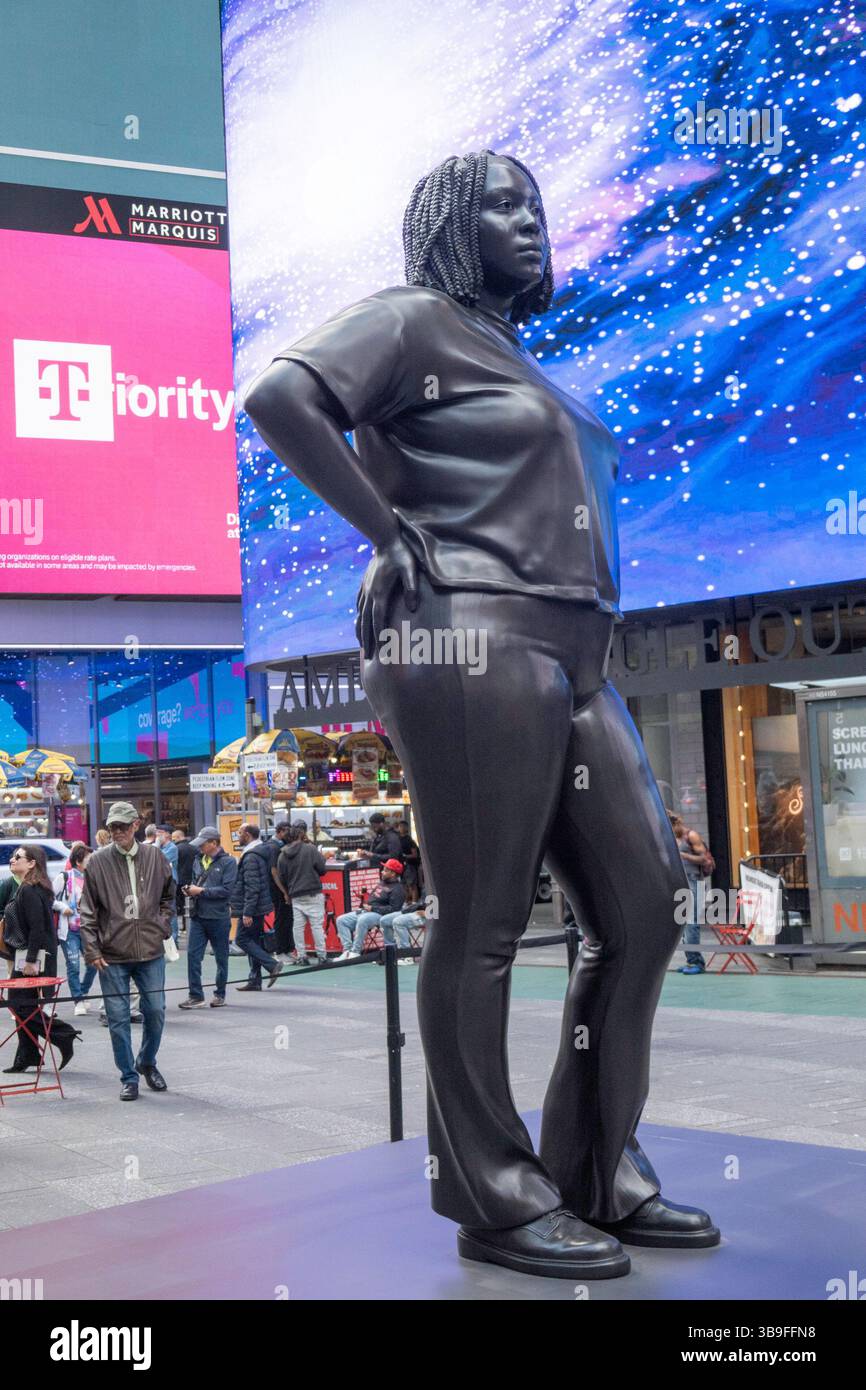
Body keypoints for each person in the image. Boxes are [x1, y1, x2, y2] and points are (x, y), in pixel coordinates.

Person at [244, 148, 719, 1279]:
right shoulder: (410, 320)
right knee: (485, 916)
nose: (528, 222)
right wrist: (385, 532)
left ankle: (596, 1166)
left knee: (645, 907)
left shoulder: (514, 358)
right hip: (468, 635)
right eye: (502, 204)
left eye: (535, 205)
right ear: (450, 223)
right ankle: (489, 1189)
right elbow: (280, 396)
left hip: (574, 653)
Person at [79, 801, 175, 1101]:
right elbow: (87, 911)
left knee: (156, 1011)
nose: (117, 831)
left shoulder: (155, 856)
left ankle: (146, 1062)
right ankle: (128, 1076)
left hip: (150, 949)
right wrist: (92, 951)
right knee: (118, 1018)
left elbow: (169, 895)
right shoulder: (97, 861)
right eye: (113, 827)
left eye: (122, 826)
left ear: (136, 824)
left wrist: (163, 923)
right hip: (112, 953)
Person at [2, 844, 80, 1074]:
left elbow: (38, 928)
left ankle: (62, 1033)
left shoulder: (30, 889)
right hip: (29, 955)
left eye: (18, 856)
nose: (13, 859)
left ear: (32, 862)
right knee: (23, 1006)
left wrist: (31, 960)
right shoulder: (31, 887)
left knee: (19, 1005)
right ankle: (27, 1056)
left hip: (32, 958)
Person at [179, 825, 238, 1009]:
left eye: (203, 844)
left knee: (221, 957)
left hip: (219, 916)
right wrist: (190, 890)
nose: (200, 847)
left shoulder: (228, 862)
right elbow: (197, 883)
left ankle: (220, 994)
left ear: (214, 843)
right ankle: (195, 995)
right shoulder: (198, 859)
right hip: (198, 915)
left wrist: (200, 891)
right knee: (193, 956)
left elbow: (227, 891)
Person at [230, 823, 282, 991]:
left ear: (247, 834)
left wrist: (247, 911)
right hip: (260, 905)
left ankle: (272, 965)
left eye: (239, 832)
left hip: (253, 907)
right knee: (254, 940)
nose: (238, 835)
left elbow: (252, 886)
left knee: (242, 939)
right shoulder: (261, 851)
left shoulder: (251, 856)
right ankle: (255, 979)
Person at [53, 842, 97, 1016]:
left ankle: (84, 991)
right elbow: (49, 898)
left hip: (88, 929)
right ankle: (78, 1000)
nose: (92, 861)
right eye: (89, 859)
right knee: (73, 966)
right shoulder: (64, 877)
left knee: (94, 963)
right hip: (69, 930)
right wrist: (63, 907)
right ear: (79, 861)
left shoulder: (93, 878)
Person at [276, 822, 328, 965]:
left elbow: (282, 877)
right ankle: (322, 956)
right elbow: (322, 870)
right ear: (300, 835)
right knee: (316, 925)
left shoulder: (282, 854)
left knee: (297, 927)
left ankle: (301, 956)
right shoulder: (310, 849)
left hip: (296, 895)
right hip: (312, 892)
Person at [336, 859, 405, 959]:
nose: (382, 871)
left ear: (393, 873)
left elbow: (393, 910)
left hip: (381, 915)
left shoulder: (398, 889)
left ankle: (355, 952)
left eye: (385, 870)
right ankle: (347, 950)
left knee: (363, 920)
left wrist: (373, 908)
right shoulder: (383, 882)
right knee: (341, 920)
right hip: (368, 911)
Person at [669, 811, 710, 975]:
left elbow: (704, 859)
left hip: (694, 881)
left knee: (691, 922)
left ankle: (696, 963)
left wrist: (682, 855)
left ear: (675, 824)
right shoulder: (670, 838)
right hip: (679, 882)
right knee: (683, 923)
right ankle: (691, 959)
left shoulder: (691, 835)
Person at [265, 820, 294, 959]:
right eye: (287, 831)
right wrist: (284, 892)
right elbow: (274, 871)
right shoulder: (274, 847)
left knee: (286, 918)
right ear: (280, 831)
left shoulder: (279, 846)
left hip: (279, 888)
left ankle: (286, 949)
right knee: (281, 919)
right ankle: (281, 951)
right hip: (277, 889)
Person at [378, 897, 425, 964]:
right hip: (413, 909)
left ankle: (407, 955)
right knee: (384, 920)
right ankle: (391, 952)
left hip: (428, 914)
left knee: (398, 921)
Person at [155, 826, 179, 943]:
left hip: (170, 882)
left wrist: (156, 846)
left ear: (168, 834)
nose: (158, 835)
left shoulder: (172, 848)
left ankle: (174, 938)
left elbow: (157, 859)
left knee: (171, 909)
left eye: (160, 832)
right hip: (159, 881)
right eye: (157, 832)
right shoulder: (160, 847)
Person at [173, 828, 196, 923]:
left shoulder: (176, 849)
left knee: (180, 904)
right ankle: (187, 924)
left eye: (174, 839)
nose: (172, 841)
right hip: (192, 878)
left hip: (180, 879)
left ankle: (183, 924)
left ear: (179, 837)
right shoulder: (193, 847)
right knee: (190, 902)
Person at [396, 819, 421, 901]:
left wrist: (405, 856)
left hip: (410, 865)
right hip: (401, 866)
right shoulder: (397, 839)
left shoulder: (410, 840)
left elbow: (415, 855)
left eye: (403, 826)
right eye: (400, 826)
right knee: (404, 885)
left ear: (406, 828)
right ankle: (407, 902)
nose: (401, 828)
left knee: (412, 885)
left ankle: (414, 903)